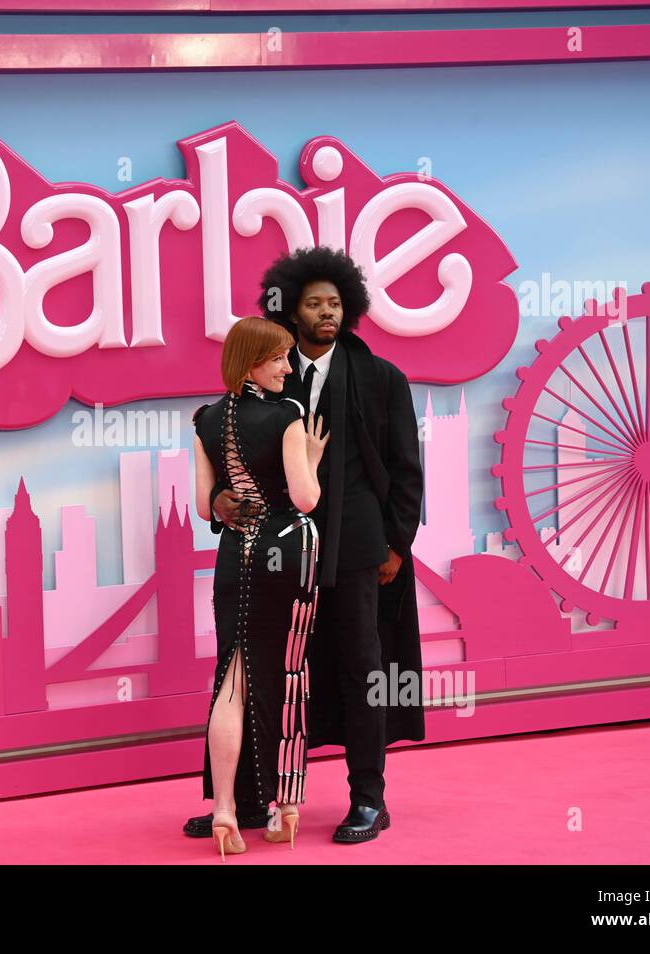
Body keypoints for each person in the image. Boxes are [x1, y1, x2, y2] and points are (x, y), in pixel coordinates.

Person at [184, 245, 426, 845]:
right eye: (315, 303)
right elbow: (225, 470)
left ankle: (368, 799)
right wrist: (218, 504)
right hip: (273, 559)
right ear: (291, 309)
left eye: (336, 303)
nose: (327, 312)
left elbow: (406, 471)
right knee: (252, 669)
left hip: (356, 553)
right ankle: (237, 801)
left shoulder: (380, 378)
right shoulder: (259, 382)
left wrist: (395, 545)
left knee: (361, 668)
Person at [191, 316, 329, 858]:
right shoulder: (288, 415)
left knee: (232, 676)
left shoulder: (205, 420)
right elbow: (306, 498)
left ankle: (224, 809)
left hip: (235, 558)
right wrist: (313, 460)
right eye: (278, 359)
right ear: (251, 362)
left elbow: (208, 507)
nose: (288, 367)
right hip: (287, 551)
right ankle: (285, 808)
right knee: (289, 668)